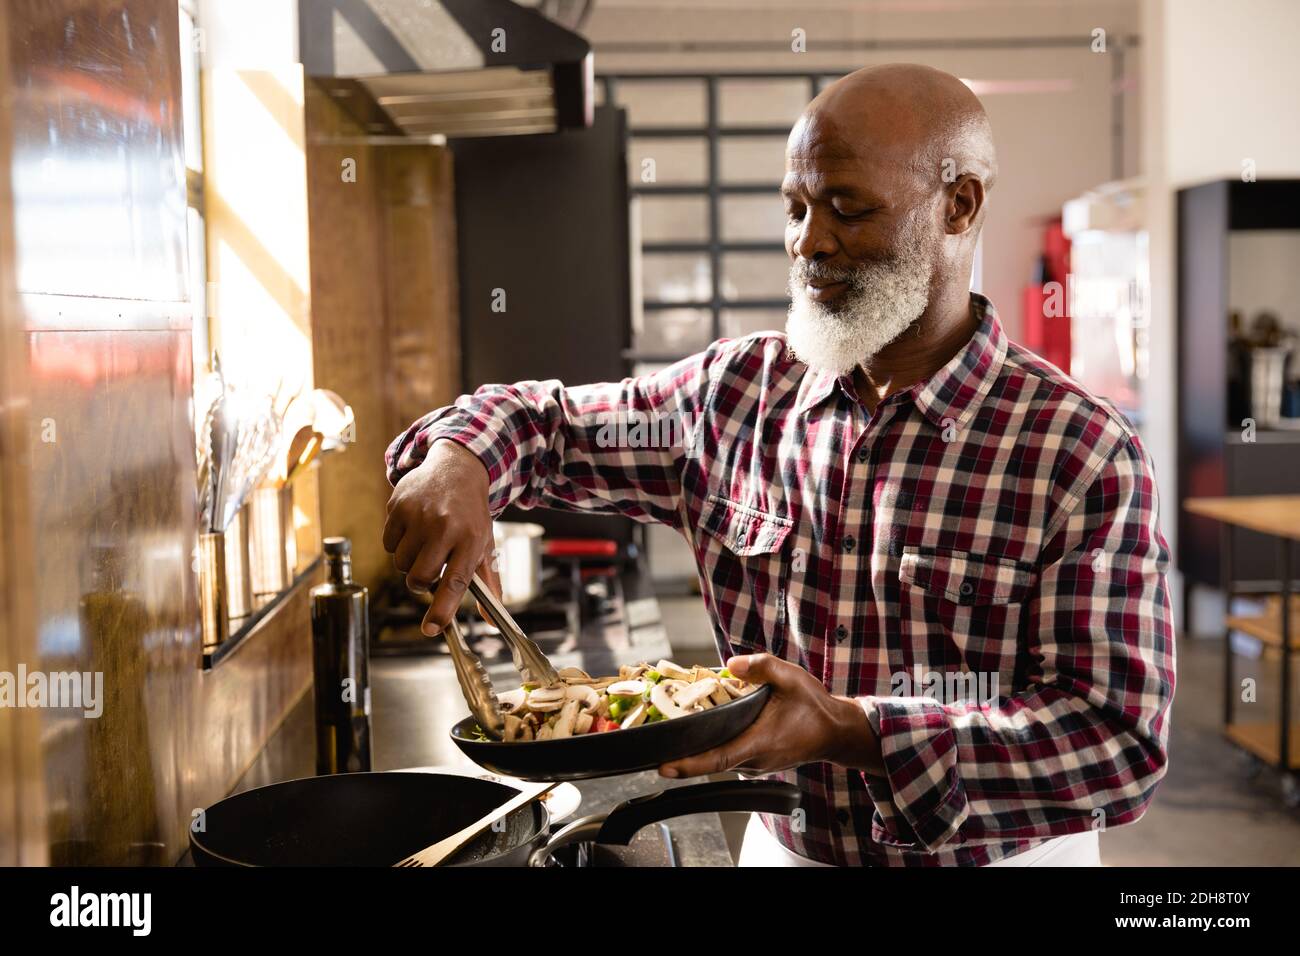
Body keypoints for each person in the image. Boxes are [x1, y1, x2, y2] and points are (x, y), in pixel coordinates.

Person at [383, 63, 1175, 866]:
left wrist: (851, 733)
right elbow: (541, 427)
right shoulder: (734, 398)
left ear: (958, 204)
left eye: (847, 207)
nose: (808, 240)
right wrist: (459, 460)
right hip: (785, 850)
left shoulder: (1076, 453)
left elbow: (1116, 742)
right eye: (795, 207)